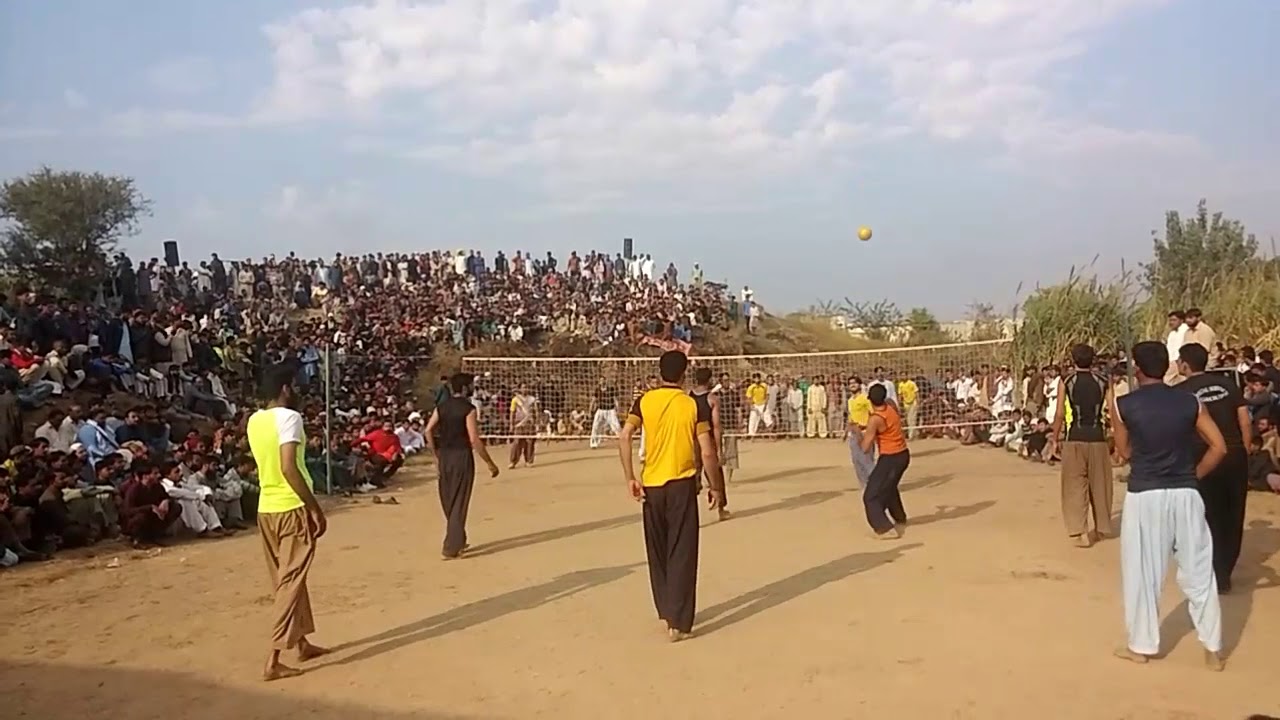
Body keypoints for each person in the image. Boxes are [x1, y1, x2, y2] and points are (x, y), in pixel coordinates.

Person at [1111, 341, 1226, 670]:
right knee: (1199, 570)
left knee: (1142, 572)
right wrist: (1194, 475)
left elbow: (1124, 452)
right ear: (1168, 366)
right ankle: (1212, 647)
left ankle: (1141, 645)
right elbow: (1219, 447)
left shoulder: (1123, 404)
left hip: (1145, 494)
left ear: (1137, 368)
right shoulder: (1190, 401)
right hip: (1185, 491)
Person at [618, 351, 724, 642]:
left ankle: (666, 610)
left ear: (660, 372)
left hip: (652, 485)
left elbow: (625, 436)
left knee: (658, 551)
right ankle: (679, 621)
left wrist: (630, 477)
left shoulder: (645, 400)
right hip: (681, 484)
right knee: (682, 552)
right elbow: (707, 451)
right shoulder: (691, 405)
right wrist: (715, 486)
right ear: (683, 374)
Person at [246, 363, 330, 682]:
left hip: (266, 508)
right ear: (285, 388)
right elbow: (288, 467)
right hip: (291, 506)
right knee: (290, 582)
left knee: (288, 579)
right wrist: (314, 508)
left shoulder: (254, 420)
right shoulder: (290, 418)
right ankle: (273, 658)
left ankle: (302, 642)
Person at [1175, 343, 1252, 593]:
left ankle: (1211, 571)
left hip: (1204, 455)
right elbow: (1244, 419)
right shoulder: (1228, 384)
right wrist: (1244, 450)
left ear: (1185, 364)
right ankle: (1224, 572)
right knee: (1234, 513)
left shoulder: (1181, 391)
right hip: (1235, 454)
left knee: (1208, 514)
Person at [425, 372, 500, 559]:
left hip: (445, 456)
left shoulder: (442, 407)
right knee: (460, 500)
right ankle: (451, 546)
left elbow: (428, 430)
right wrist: (490, 463)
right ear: (466, 388)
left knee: (448, 499)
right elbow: (474, 439)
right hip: (461, 456)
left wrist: (435, 455)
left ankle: (458, 537)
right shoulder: (468, 408)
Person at [1053, 343, 1114, 548]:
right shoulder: (1103, 381)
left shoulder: (1067, 381)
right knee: (1100, 484)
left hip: (1075, 436)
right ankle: (1101, 528)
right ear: (1093, 359)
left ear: (1073, 359)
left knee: (1074, 484)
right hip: (1097, 436)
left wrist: (1054, 438)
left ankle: (1079, 531)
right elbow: (1112, 410)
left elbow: (1060, 413)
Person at [858, 384, 910, 539]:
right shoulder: (891, 406)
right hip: (903, 455)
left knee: (871, 496)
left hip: (890, 458)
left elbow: (865, 447)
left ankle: (884, 528)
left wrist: (858, 432)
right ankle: (900, 518)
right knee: (889, 487)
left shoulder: (875, 419)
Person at [690, 367, 730, 522]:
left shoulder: (688, 397)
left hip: (692, 438)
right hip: (707, 438)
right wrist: (719, 449)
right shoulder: (712, 399)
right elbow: (716, 426)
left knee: (692, 476)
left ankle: (689, 514)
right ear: (710, 380)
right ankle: (721, 508)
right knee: (716, 474)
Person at [845, 377, 875, 489]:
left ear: (859, 384)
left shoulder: (865, 398)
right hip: (853, 433)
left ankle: (876, 483)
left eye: (855, 383)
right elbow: (850, 416)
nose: (852, 385)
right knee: (856, 460)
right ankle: (865, 485)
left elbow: (873, 413)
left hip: (864, 432)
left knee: (867, 460)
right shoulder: (850, 400)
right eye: (850, 383)